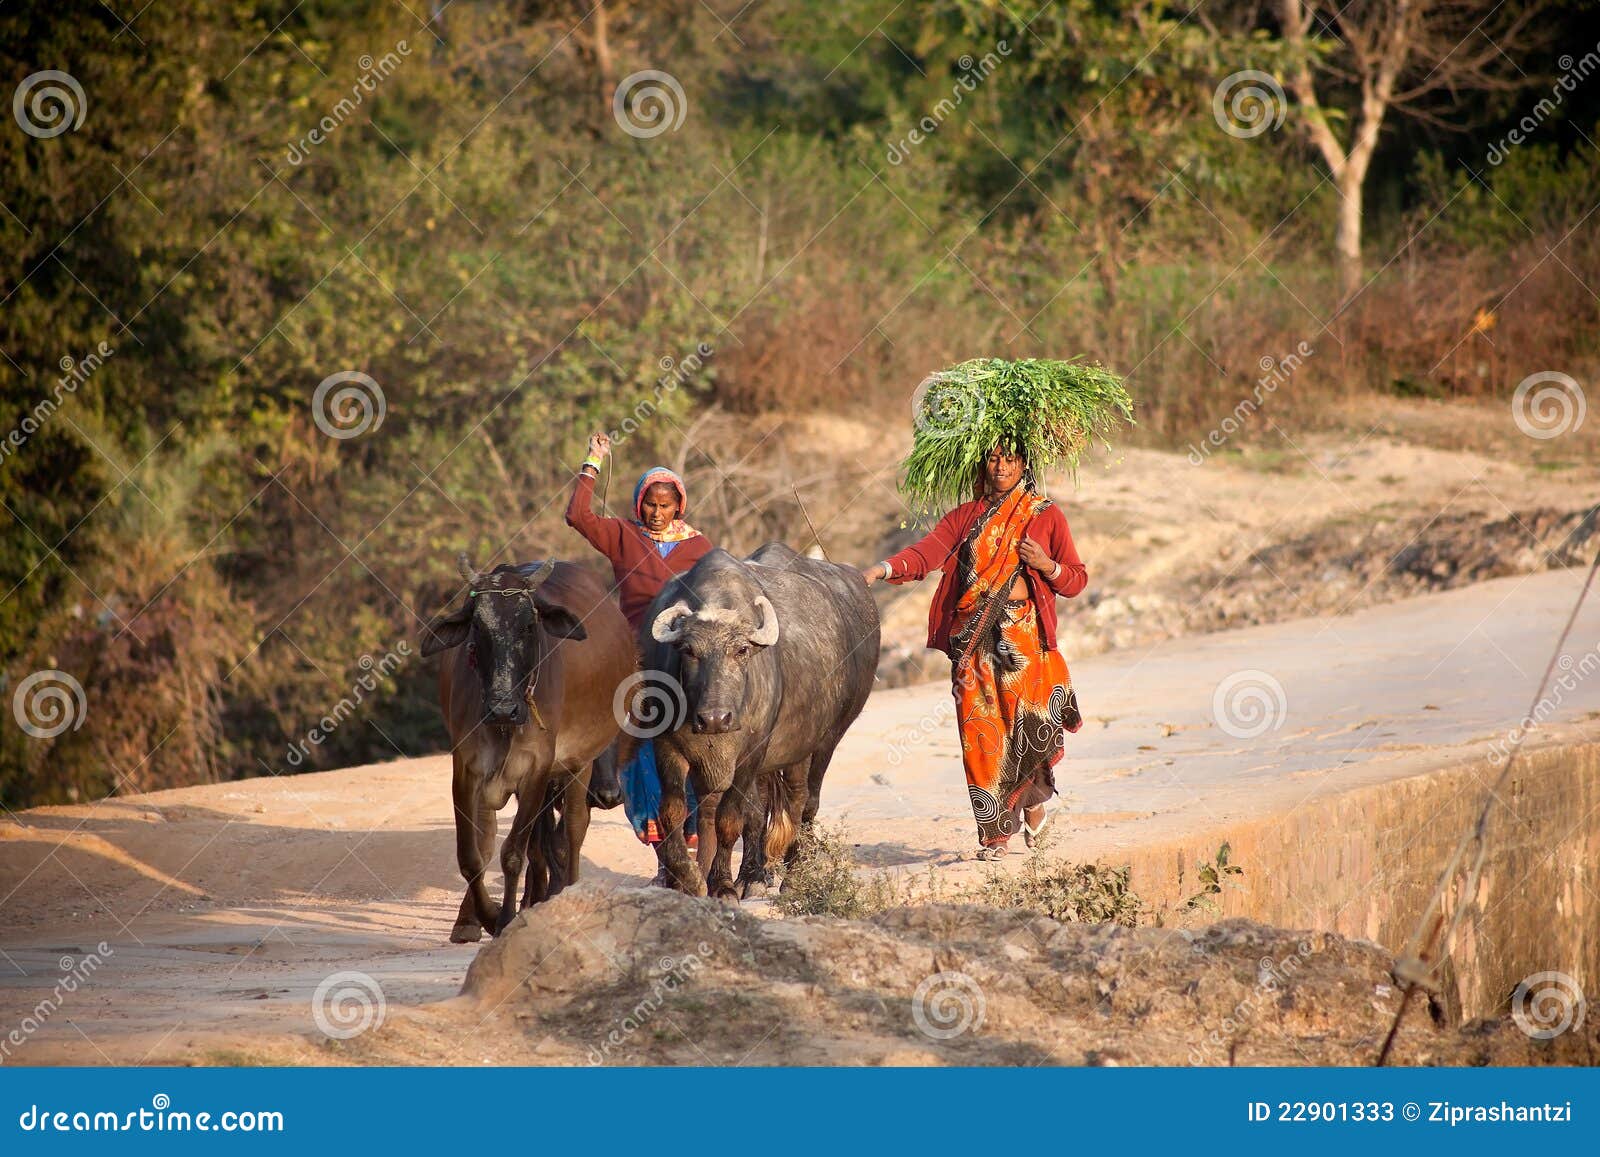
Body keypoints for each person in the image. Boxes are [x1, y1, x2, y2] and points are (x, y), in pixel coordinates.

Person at [860, 439, 1086, 859]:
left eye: (1010, 458)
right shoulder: (966, 517)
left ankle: (1033, 800)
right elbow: (927, 553)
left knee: (1026, 731)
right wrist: (882, 569)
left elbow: (1075, 580)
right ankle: (995, 836)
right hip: (974, 642)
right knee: (980, 736)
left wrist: (1045, 564)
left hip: (1024, 643)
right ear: (983, 464)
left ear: (1024, 463)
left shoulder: (1045, 515)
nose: (1001, 466)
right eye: (994, 458)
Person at [565, 433, 716, 866]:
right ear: (639, 503)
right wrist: (593, 460)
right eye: (650, 504)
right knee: (638, 739)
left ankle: (695, 834)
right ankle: (660, 840)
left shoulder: (700, 547)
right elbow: (577, 515)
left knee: (694, 737)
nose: (657, 513)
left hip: (683, 652)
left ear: (679, 506)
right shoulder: (622, 535)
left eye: (666, 505)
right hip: (634, 653)